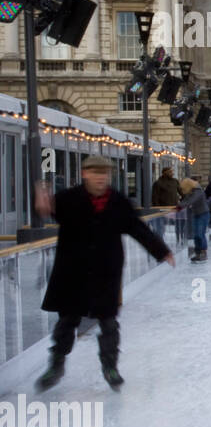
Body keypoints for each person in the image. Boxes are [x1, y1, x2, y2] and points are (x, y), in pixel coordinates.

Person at [34, 155, 176, 392]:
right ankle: (56, 365)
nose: (101, 178)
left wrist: (161, 251)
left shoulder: (118, 202)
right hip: (73, 271)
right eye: (95, 173)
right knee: (67, 321)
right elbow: (47, 209)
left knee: (108, 323)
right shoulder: (69, 199)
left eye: (104, 173)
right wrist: (42, 206)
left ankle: (110, 367)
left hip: (105, 272)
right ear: (85, 174)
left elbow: (138, 228)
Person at [177, 177, 210, 263]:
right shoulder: (191, 192)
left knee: (200, 234)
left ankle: (203, 252)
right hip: (196, 214)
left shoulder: (198, 191)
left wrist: (180, 206)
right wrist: (179, 205)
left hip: (203, 214)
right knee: (196, 235)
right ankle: (198, 253)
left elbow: (191, 201)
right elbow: (186, 200)